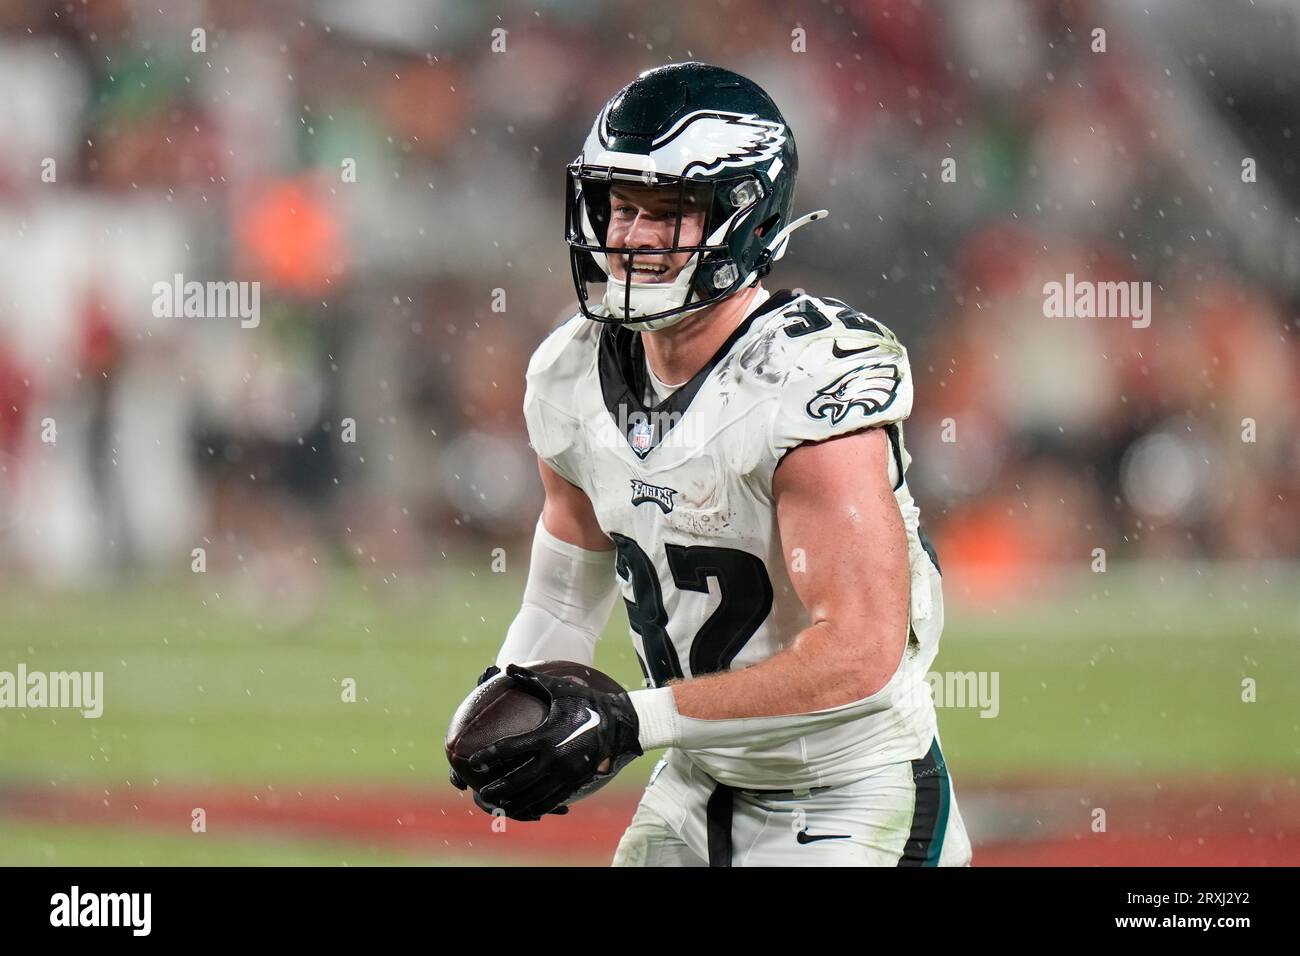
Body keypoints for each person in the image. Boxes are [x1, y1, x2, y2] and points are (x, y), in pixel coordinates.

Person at [450, 62, 972, 867]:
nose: (631, 237)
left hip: (850, 786)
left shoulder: (806, 381)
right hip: (698, 780)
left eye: (668, 213)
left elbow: (859, 656)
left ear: (742, 219)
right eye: (622, 207)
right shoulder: (570, 372)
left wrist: (632, 721)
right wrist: (518, 695)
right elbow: (563, 592)